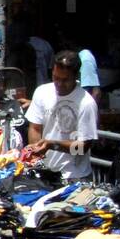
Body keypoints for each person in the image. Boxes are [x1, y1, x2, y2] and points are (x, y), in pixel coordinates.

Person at [24, 50, 99, 182]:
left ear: (76, 76)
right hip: (44, 172)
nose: (59, 84)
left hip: (74, 177)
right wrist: (35, 150)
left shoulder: (86, 103)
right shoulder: (42, 92)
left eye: (65, 80)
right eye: (55, 78)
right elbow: (35, 127)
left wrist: (52, 145)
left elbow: (82, 148)